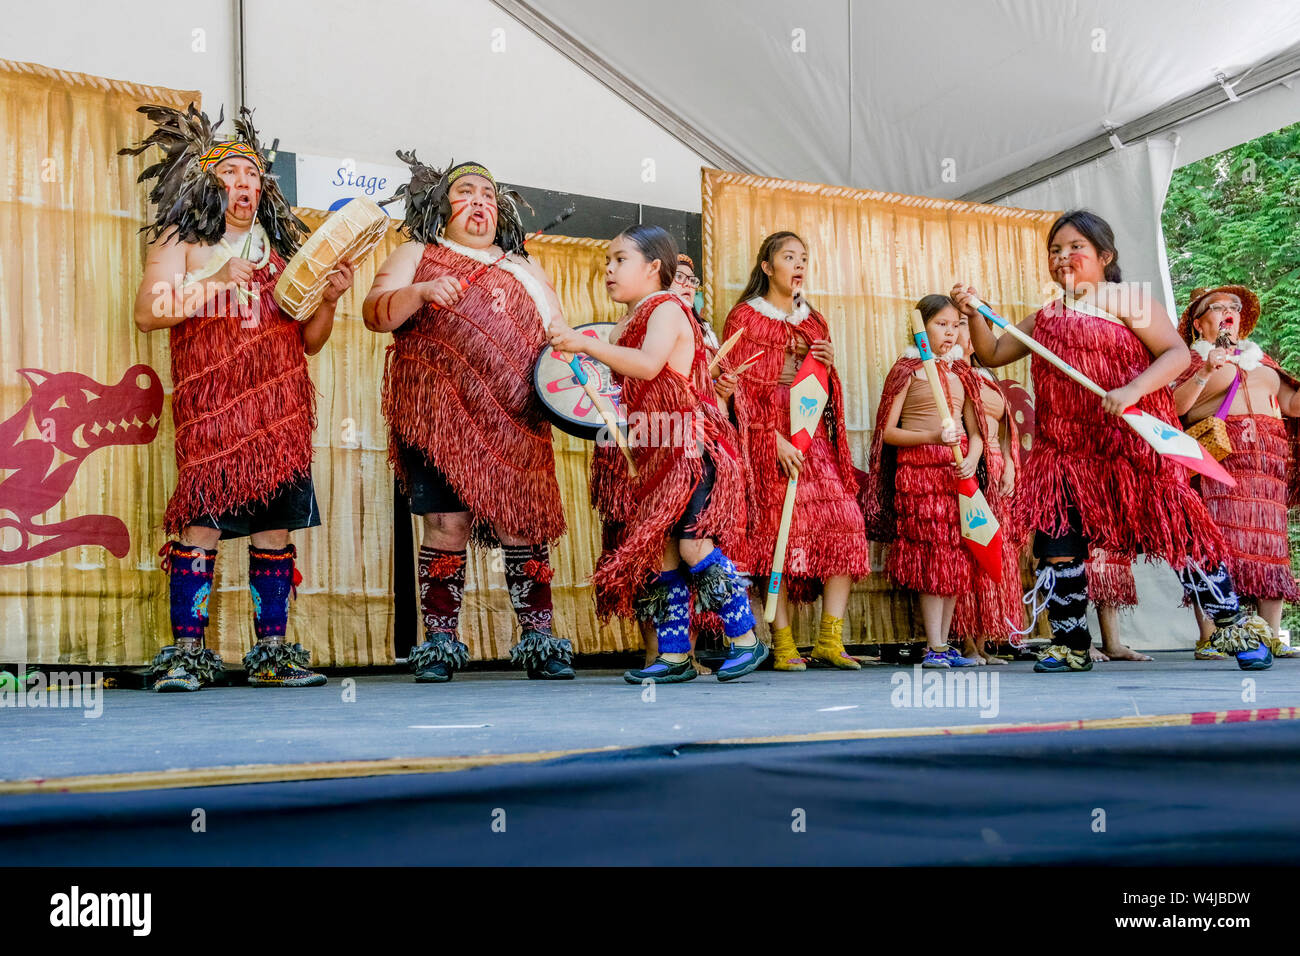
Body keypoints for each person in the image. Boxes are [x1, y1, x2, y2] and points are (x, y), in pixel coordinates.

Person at [953, 210, 1273, 672]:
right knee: (1057, 538)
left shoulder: (1128, 300)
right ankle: (1070, 642)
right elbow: (992, 352)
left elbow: (1175, 351)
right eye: (1055, 250)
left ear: (1104, 256)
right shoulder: (1045, 316)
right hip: (1065, 450)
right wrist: (973, 312)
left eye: (1075, 248)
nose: (1063, 257)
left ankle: (1234, 627)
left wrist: (1132, 390)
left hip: (1131, 440)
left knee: (1178, 530)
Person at [124, 105, 352, 691]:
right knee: (200, 523)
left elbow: (310, 341)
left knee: (275, 529)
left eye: (251, 175)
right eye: (230, 174)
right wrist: (210, 281)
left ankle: (272, 652)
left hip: (280, 411)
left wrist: (327, 299)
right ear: (206, 183)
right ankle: (187, 653)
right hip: (215, 411)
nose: (243, 184)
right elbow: (148, 312)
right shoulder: (184, 241)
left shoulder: (280, 250)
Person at [364, 155, 573, 682]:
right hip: (442, 418)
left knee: (520, 525)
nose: (480, 201)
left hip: (516, 417)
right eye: (467, 192)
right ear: (442, 206)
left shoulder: (523, 266)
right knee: (446, 525)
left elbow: (559, 333)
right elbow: (374, 311)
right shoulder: (418, 252)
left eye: (488, 195)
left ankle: (539, 640)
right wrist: (420, 292)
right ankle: (438, 645)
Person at [549, 225, 765, 684]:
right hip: (654, 449)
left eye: (620, 259)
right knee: (663, 553)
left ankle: (746, 639)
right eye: (607, 260)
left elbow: (649, 366)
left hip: (688, 445)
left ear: (653, 267)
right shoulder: (629, 320)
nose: (609, 268)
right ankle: (673, 655)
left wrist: (587, 344)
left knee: (692, 544)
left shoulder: (667, 308)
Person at [722, 232, 871, 672]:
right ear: (767, 267)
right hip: (769, 440)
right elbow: (735, 392)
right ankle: (782, 643)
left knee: (845, 525)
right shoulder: (743, 319)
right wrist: (772, 440)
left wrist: (826, 361)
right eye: (789, 257)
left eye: (803, 258)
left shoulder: (815, 321)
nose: (799, 265)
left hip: (811, 440)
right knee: (773, 539)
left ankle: (829, 638)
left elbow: (823, 390)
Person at [1172, 284, 1300, 659]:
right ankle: (1211, 635)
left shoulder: (1264, 364)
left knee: (1270, 547)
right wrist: (1208, 369)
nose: (1228, 310)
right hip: (1218, 469)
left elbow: (1292, 405)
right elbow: (1173, 409)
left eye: (1234, 307)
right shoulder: (1189, 363)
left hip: (1266, 469)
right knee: (1214, 547)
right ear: (1199, 323)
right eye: (1217, 307)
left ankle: (1271, 634)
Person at [863, 295, 989, 668]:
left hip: (957, 474)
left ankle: (945, 644)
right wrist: (932, 438)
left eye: (955, 325)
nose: (950, 332)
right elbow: (887, 432)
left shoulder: (961, 373)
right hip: (920, 475)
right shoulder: (909, 370)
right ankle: (934, 645)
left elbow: (977, 431)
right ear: (920, 327)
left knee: (956, 559)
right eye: (941, 324)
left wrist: (972, 458)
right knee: (934, 558)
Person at [950, 315, 1022, 664]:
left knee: (996, 550)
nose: (965, 331)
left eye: (972, 324)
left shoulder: (989, 376)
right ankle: (965, 641)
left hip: (996, 466)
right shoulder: (950, 374)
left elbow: (1006, 428)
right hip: (966, 462)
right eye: (960, 323)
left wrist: (1009, 463)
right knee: (971, 550)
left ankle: (985, 639)